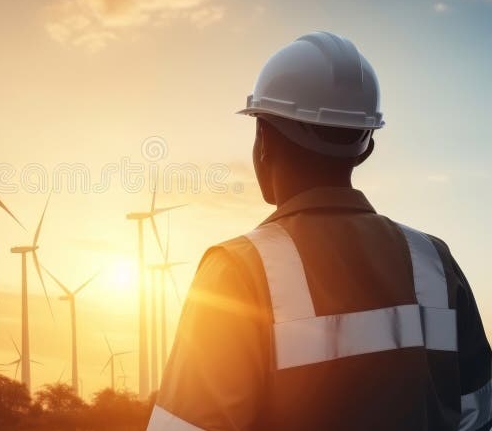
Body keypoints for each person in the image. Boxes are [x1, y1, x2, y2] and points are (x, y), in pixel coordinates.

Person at [147, 32, 491, 431]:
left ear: (263, 141)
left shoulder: (237, 272)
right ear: (366, 148)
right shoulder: (435, 262)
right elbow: (479, 415)